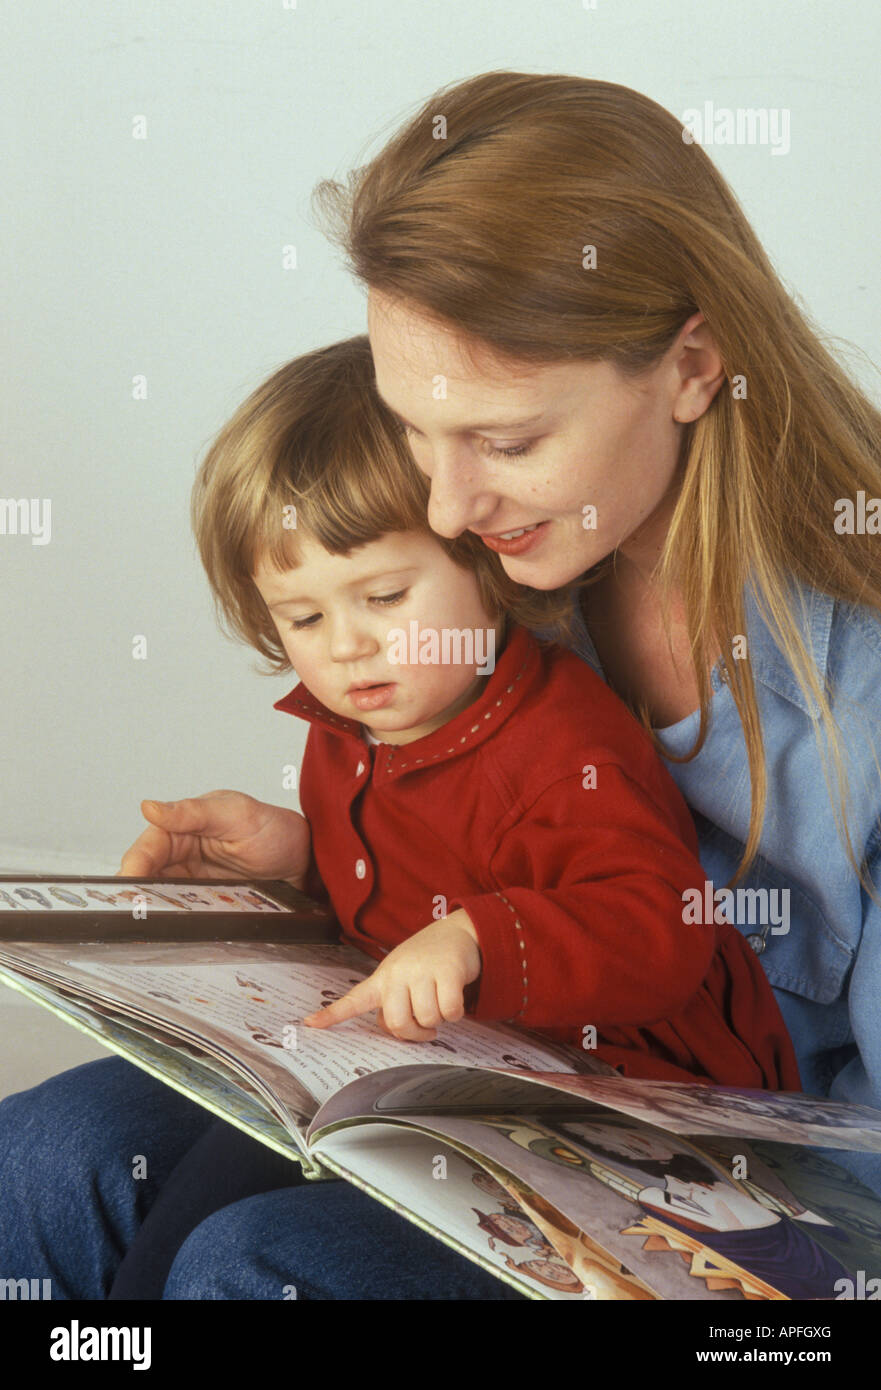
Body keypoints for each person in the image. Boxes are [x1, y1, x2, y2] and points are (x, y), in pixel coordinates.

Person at [2, 67, 880, 1300]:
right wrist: (307, 856)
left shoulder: (858, 692)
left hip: (732, 1192)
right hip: (479, 1081)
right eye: (414, 427)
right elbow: (464, 841)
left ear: (694, 366)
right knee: (42, 1156)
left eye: (507, 442)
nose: (442, 505)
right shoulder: (491, 586)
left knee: (258, 1269)